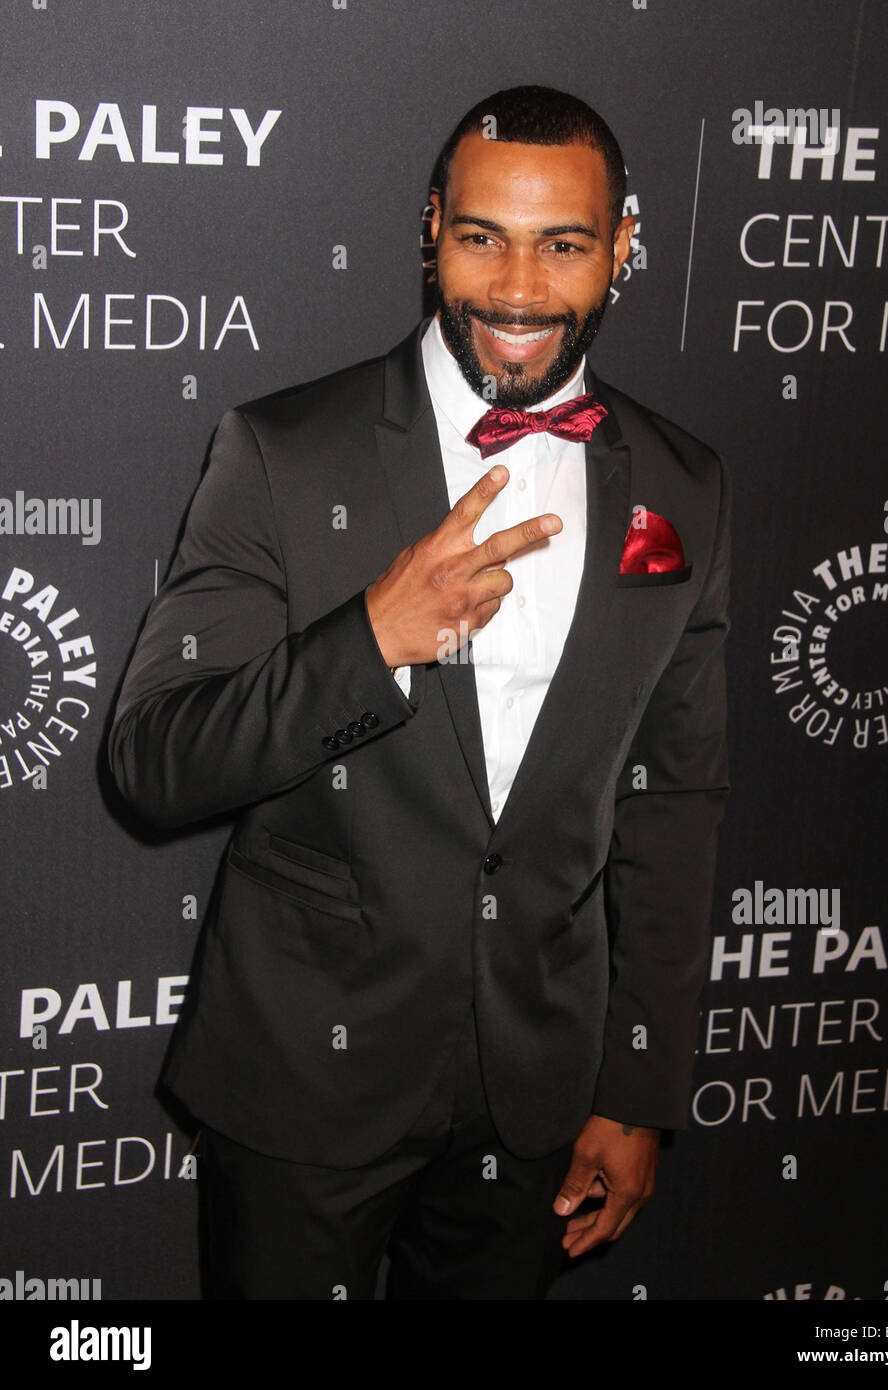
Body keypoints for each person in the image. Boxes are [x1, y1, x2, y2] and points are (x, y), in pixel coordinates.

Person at [108, 84, 731, 1301]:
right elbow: (153, 762)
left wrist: (638, 1087)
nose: (516, 288)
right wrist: (373, 638)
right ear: (429, 226)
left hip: (537, 1092)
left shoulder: (686, 485)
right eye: (480, 236)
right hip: (302, 1087)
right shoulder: (284, 451)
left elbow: (673, 802)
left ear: (624, 247)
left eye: (566, 243)